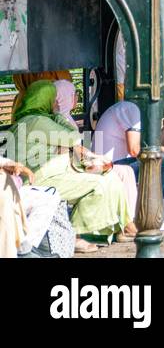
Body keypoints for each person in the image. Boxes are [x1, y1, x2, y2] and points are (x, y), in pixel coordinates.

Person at [10, 81, 134, 248]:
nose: (56, 103)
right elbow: (73, 137)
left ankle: (122, 226)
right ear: (43, 99)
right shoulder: (36, 121)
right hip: (37, 179)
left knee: (110, 178)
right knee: (98, 184)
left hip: (49, 174)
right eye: (53, 99)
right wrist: (58, 115)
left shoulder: (34, 120)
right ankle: (74, 235)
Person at [94, 95, 164, 229]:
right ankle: (153, 216)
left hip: (113, 164)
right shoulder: (132, 110)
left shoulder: (135, 109)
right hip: (109, 167)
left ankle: (151, 212)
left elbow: (157, 143)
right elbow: (134, 150)